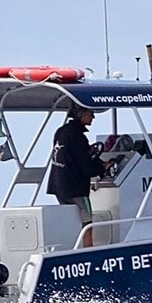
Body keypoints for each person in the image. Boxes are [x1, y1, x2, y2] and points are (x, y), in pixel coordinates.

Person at [47, 105, 112, 247]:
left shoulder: (61, 132)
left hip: (59, 185)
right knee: (87, 222)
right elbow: (85, 167)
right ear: (82, 115)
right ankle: (88, 252)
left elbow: (71, 156)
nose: (93, 117)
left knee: (72, 221)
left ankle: (73, 249)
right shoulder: (78, 137)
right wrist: (103, 167)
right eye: (91, 113)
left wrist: (89, 152)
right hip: (75, 187)